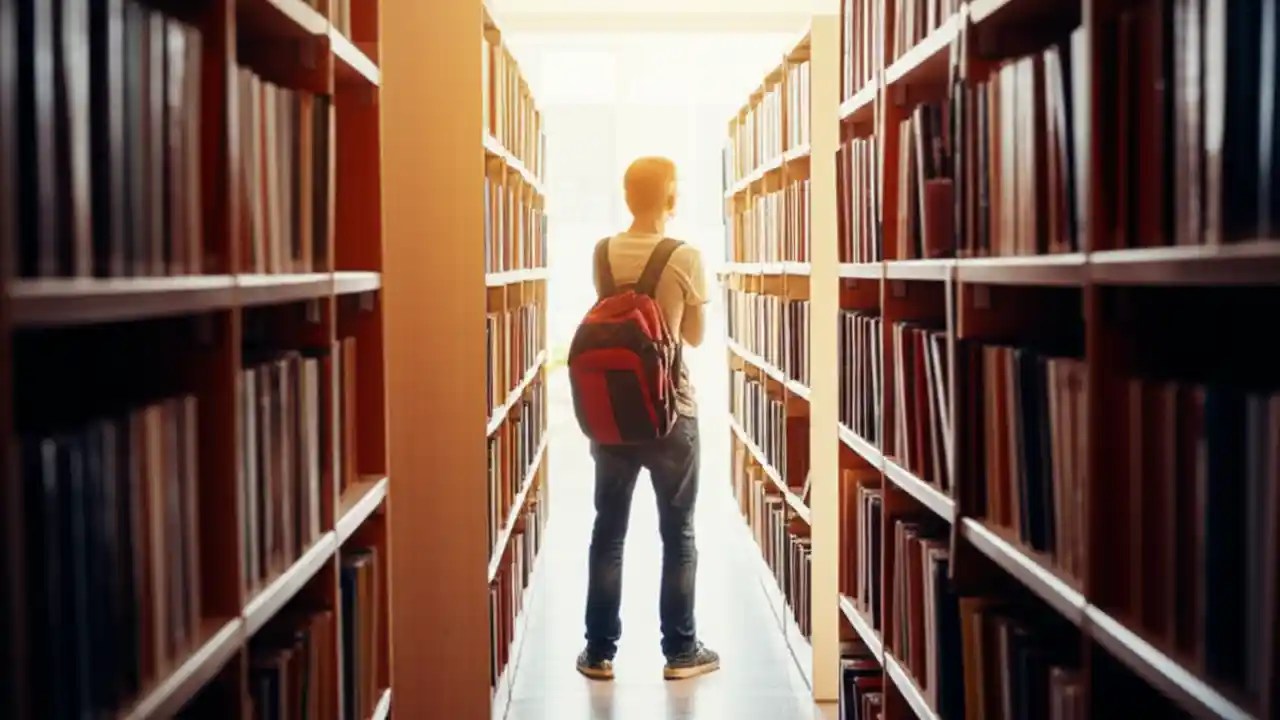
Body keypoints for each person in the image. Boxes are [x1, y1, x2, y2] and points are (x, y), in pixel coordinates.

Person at [576, 156, 719, 682]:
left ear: (628, 195)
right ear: (671, 196)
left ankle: (598, 652)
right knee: (678, 531)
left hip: (611, 413)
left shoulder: (602, 253)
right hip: (670, 413)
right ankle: (681, 653)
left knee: (607, 531)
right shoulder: (687, 257)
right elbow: (695, 337)